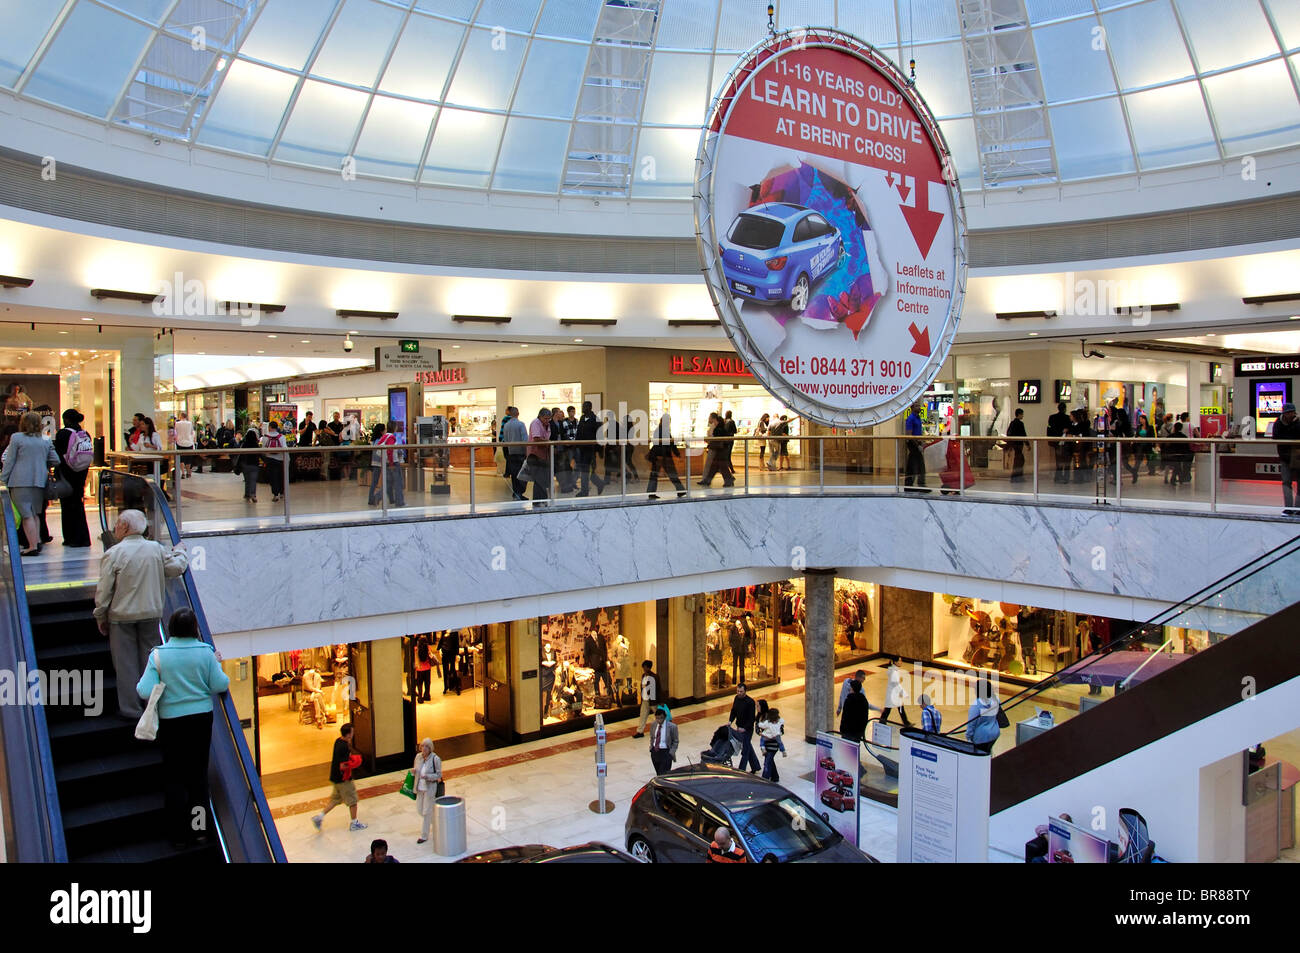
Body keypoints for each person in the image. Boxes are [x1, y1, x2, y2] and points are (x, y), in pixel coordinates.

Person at [135, 607, 228, 849]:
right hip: (200, 720)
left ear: (171, 628)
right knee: (198, 777)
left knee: (174, 777)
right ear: (195, 628)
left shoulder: (158, 655)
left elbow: (144, 690)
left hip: (171, 722)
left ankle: (177, 835)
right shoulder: (205, 652)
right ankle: (200, 831)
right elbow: (220, 684)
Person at [93, 509, 189, 718]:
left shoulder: (114, 554)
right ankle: (153, 704)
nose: (115, 527)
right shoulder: (155, 549)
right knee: (152, 662)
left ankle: (130, 709)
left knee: (125, 664)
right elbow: (176, 568)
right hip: (152, 614)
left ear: (125, 527)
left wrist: (101, 616)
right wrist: (181, 551)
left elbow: (104, 591)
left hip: (121, 617)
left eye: (118, 524)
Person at [2, 410, 58, 556]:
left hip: (19, 481)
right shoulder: (45, 439)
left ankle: (32, 546)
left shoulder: (17, 438)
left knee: (26, 514)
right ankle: (37, 541)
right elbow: (55, 460)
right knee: (35, 514)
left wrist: (3, 479)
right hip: (39, 481)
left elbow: (10, 460)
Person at [312, 723, 366, 831]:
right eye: (352, 732)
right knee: (353, 800)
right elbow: (343, 765)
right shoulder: (344, 747)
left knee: (335, 799)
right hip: (343, 779)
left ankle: (319, 817)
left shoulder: (338, 741)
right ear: (349, 734)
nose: (353, 734)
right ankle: (354, 823)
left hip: (335, 777)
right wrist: (355, 763)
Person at [53, 409, 92, 548]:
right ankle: (82, 537)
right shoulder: (85, 434)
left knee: (68, 506)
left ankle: (70, 538)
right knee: (78, 505)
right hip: (81, 473)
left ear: (66, 419)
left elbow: (57, 455)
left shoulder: (63, 433)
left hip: (67, 474)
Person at [645, 412, 685, 499]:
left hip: (657, 456)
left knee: (654, 475)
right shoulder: (665, 430)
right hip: (664, 456)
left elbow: (659, 443)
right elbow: (671, 443)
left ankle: (651, 493)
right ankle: (680, 490)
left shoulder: (658, 430)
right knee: (672, 473)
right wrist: (677, 453)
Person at [574, 401, 607, 497]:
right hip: (582, 449)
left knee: (588, 470)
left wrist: (600, 451)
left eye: (585, 406)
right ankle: (597, 484)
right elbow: (579, 433)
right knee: (584, 470)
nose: (583, 408)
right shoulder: (582, 418)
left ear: (589, 407)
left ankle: (586, 490)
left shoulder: (596, 419)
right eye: (583, 406)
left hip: (590, 449)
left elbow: (600, 436)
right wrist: (575, 445)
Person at [413, 738, 442, 844]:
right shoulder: (418, 757)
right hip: (420, 788)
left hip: (430, 789)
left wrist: (428, 777)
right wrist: (414, 771)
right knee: (420, 810)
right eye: (422, 746)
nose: (423, 749)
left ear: (430, 748)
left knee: (426, 812)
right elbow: (416, 769)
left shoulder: (435, 759)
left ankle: (424, 835)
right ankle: (437, 823)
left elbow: (439, 775)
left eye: (426, 746)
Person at [727, 683, 761, 774]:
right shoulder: (736, 698)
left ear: (745, 691)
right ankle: (755, 766)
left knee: (745, 751)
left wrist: (745, 728)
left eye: (741, 691)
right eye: (738, 691)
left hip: (747, 730)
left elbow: (751, 719)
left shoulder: (750, 702)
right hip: (739, 727)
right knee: (748, 746)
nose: (739, 693)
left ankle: (741, 772)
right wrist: (730, 721)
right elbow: (733, 711)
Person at [1274, 403, 1300, 512]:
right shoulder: (1278, 423)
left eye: (1292, 412)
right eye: (1288, 413)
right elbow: (1276, 437)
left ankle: (1298, 508)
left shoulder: (1298, 423)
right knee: (1286, 482)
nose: (1290, 415)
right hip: (1285, 457)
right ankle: (1288, 508)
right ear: (1283, 413)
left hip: (1298, 456)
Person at [966, 679, 1002, 754]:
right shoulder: (996, 700)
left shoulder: (977, 704)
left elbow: (971, 723)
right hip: (994, 732)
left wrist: (968, 737)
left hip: (981, 737)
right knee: (987, 750)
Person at [698, 412, 733, 487]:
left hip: (719, 449)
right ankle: (709, 480)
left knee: (718, 465)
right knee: (715, 465)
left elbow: (715, 438)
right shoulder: (721, 428)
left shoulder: (718, 429)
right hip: (721, 449)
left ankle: (728, 479)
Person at [501, 405, 529, 501]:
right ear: (518, 414)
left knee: (514, 474)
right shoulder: (521, 424)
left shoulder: (506, 425)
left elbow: (505, 439)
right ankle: (519, 493)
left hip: (511, 452)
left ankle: (516, 492)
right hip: (520, 453)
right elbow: (525, 440)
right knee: (522, 474)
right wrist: (527, 452)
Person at [526, 408, 553, 506]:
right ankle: (538, 501)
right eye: (545, 418)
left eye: (548, 419)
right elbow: (536, 438)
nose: (547, 421)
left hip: (543, 455)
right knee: (538, 478)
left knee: (543, 478)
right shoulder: (535, 423)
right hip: (534, 455)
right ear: (540, 416)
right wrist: (549, 442)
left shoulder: (547, 425)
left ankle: (542, 500)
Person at [880, 658, 911, 727]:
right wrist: (904, 693)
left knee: (899, 707)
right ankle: (881, 722)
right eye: (899, 660)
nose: (901, 662)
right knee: (888, 709)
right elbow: (896, 684)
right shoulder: (894, 672)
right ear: (895, 662)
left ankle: (906, 722)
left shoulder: (894, 670)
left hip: (894, 693)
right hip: (892, 694)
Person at [261, 420, 286, 503]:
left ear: (270, 427)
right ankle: (282, 493)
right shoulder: (282, 437)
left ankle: (275, 494)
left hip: (270, 460)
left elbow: (263, 449)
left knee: (273, 477)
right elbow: (285, 448)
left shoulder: (265, 437)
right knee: (280, 476)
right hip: (280, 459)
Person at [648, 707, 678, 776]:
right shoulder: (653, 724)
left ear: (664, 717)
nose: (659, 720)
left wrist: (671, 753)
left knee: (664, 774)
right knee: (658, 774)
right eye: (657, 718)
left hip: (666, 752)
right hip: (655, 752)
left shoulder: (672, 727)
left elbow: (675, 741)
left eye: (660, 718)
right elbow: (652, 737)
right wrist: (651, 748)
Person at [904, 402, 928, 489]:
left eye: (919, 406)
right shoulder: (911, 419)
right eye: (917, 406)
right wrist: (917, 445)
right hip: (913, 443)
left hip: (917, 443)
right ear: (912, 408)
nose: (919, 407)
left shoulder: (918, 418)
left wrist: (921, 442)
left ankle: (910, 484)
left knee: (913, 464)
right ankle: (919, 484)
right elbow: (909, 433)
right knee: (919, 464)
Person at [1047, 401, 1071, 484]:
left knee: (1058, 460)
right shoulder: (1067, 418)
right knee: (1066, 460)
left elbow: (1049, 428)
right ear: (1064, 409)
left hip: (1056, 442)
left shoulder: (1052, 417)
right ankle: (1065, 478)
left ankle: (1058, 477)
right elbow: (1070, 429)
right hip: (1066, 442)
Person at [757, 707, 784, 781]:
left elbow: (760, 726)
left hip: (770, 746)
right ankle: (775, 777)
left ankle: (765, 779)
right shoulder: (778, 722)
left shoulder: (769, 723)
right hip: (773, 745)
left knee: (767, 762)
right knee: (769, 760)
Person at [838, 678, 868, 743]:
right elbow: (865, 717)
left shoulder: (848, 700)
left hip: (847, 731)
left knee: (846, 749)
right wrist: (862, 731)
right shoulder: (864, 701)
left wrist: (842, 729)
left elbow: (844, 717)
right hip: (857, 732)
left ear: (852, 689)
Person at [633, 659, 658, 737]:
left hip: (653, 700)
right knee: (643, 715)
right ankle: (640, 731)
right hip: (645, 700)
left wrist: (658, 700)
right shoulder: (643, 676)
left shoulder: (654, 677)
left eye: (645, 667)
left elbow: (658, 689)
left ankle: (663, 730)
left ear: (648, 667)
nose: (644, 669)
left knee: (658, 715)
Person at [239, 422, 261, 503]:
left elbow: (240, 454)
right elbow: (261, 454)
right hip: (254, 464)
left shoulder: (244, 444)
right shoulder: (256, 445)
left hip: (245, 464)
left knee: (247, 480)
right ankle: (253, 494)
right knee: (253, 480)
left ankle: (247, 494)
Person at [1006, 407, 1027, 481]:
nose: (1023, 416)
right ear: (1019, 414)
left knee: (1018, 459)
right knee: (1019, 460)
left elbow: (1008, 433)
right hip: (1019, 444)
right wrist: (1027, 444)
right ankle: (1017, 476)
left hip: (1014, 444)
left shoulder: (1012, 423)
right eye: (1022, 414)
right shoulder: (1020, 424)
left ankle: (1015, 476)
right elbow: (1024, 435)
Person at [439, 629, 462, 695]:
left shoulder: (454, 631)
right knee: (445, 670)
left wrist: (457, 653)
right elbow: (441, 641)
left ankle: (457, 687)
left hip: (452, 653)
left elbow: (456, 643)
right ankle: (445, 687)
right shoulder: (443, 630)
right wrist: (440, 649)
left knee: (453, 670)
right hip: (444, 653)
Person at [173, 411, 195, 479]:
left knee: (181, 458)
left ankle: (183, 473)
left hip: (180, 442)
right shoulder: (190, 423)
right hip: (188, 442)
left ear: (180, 416)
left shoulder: (177, 423)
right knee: (188, 458)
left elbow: (175, 432)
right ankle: (188, 472)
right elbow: (191, 432)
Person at [414, 635, 433, 702]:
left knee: (419, 684)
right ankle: (427, 695)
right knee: (427, 683)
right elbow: (431, 657)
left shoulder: (416, 649)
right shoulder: (428, 648)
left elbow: (415, 659)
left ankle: (420, 698)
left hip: (419, 669)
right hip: (427, 668)